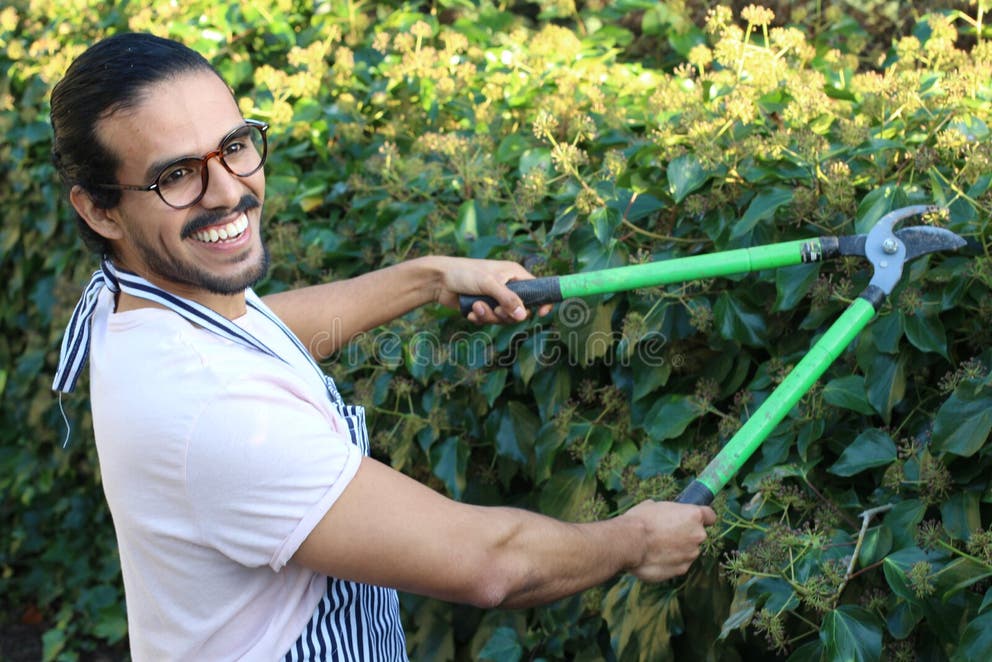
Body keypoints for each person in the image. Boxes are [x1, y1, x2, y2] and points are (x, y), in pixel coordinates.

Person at [50, 32, 716, 661]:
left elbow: (261, 331)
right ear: (99, 209)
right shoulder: (220, 415)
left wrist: (425, 279)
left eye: (235, 146)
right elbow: (489, 565)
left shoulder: (141, 308)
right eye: (175, 177)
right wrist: (634, 540)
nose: (230, 192)